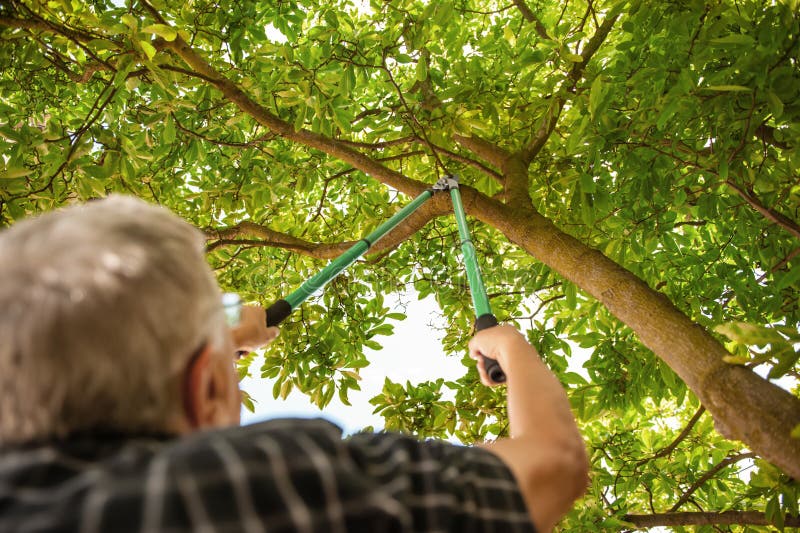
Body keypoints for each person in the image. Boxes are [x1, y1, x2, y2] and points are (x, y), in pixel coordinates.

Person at [0, 196, 588, 532]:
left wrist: (213, 336)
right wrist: (509, 345)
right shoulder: (248, 487)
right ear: (206, 388)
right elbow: (552, 463)